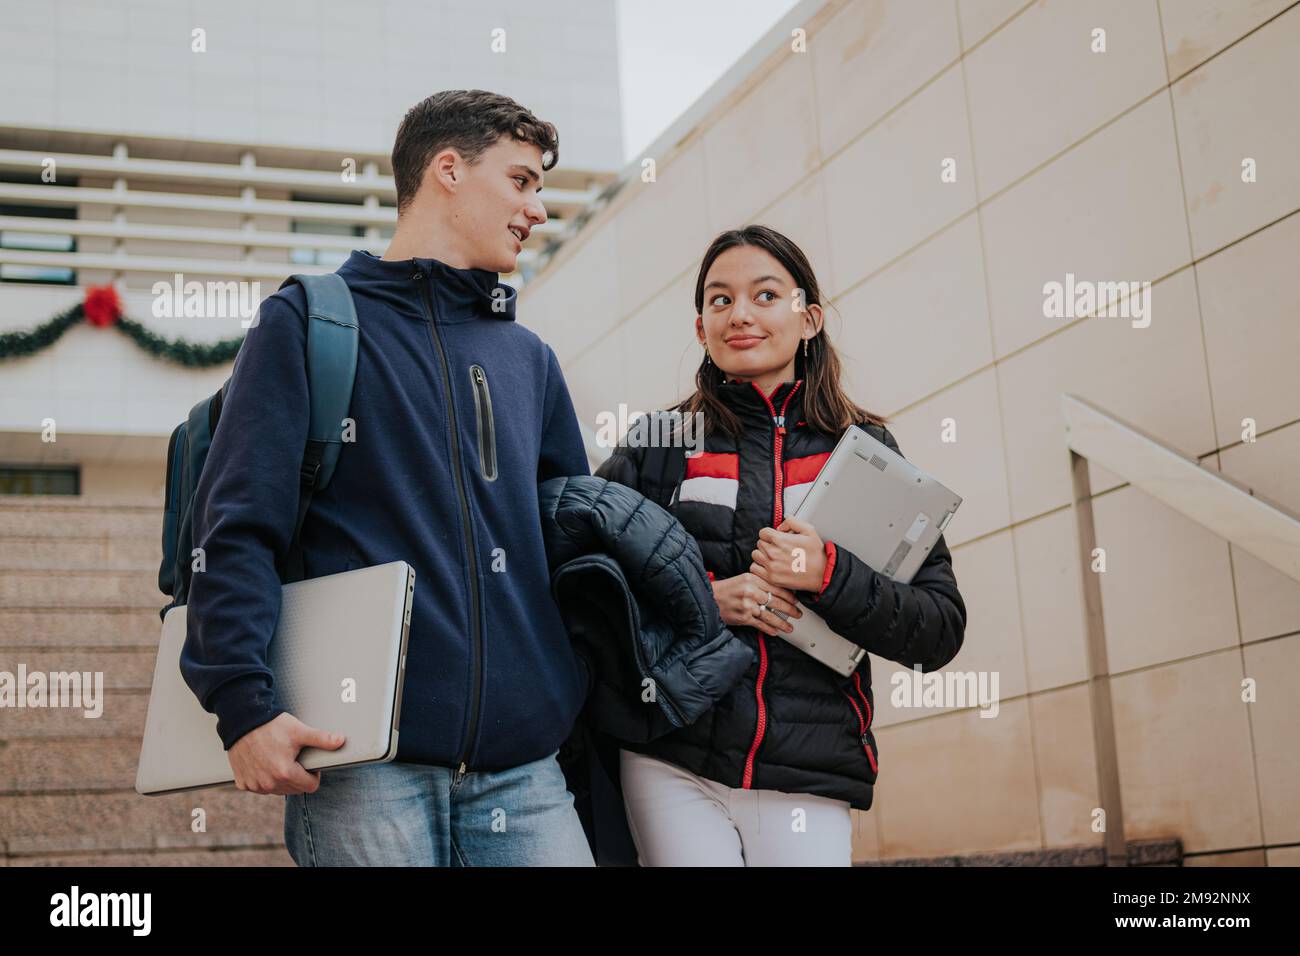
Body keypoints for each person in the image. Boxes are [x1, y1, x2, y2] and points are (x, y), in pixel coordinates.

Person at [182, 90, 595, 866]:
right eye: (521, 181)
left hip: (527, 771)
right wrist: (241, 705)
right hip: (362, 765)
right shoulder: (308, 323)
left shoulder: (528, 358)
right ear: (448, 168)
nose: (537, 209)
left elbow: (572, 536)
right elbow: (235, 526)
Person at [596, 224, 967, 866]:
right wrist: (704, 600)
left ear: (809, 318)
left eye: (765, 295)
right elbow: (590, 591)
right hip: (672, 755)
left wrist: (828, 573)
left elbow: (939, 628)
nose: (739, 314)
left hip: (807, 765)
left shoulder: (866, 450)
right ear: (700, 327)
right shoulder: (658, 441)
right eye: (719, 300)